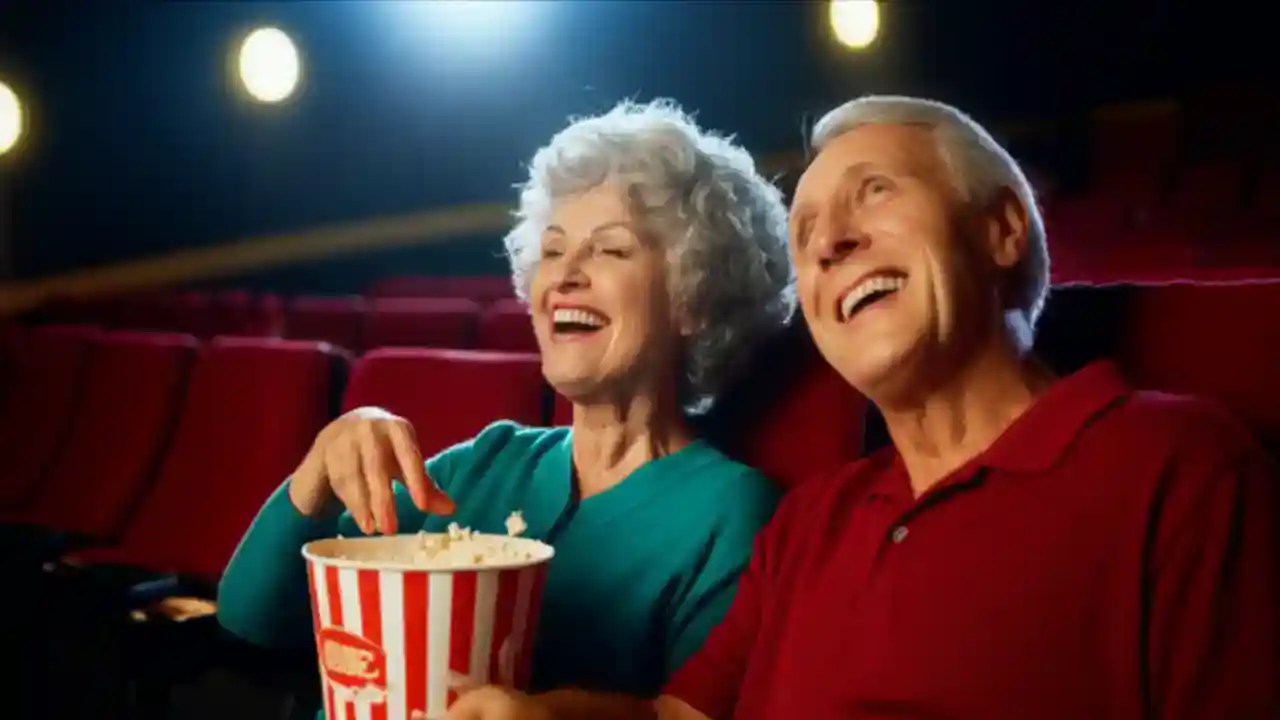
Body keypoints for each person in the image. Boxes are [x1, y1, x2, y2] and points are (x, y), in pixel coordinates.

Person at [448, 96, 1279, 719]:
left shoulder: (1175, 465)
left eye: (873, 193)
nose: (828, 241)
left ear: (1002, 230)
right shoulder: (816, 518)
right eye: (805, 229)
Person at [216, 99, 796, 709]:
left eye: (610, 250)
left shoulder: (731, 513)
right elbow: (252, 618)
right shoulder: (488, 461)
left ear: (695, 298)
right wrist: (317, 474)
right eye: (552, 250)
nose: (565, 274)